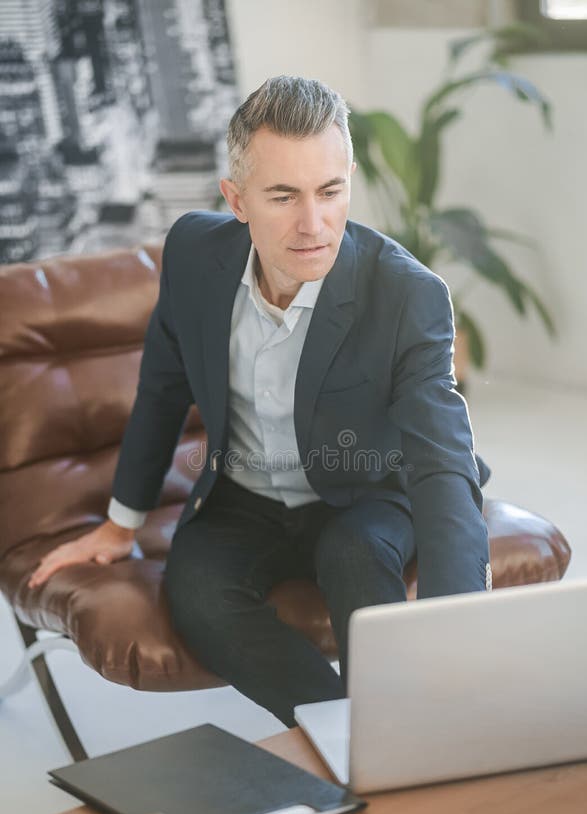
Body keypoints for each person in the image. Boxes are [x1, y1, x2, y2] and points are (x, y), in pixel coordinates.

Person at [28, 76, 491, 727]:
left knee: (352, 554)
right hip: (243, 495)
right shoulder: (193, 253)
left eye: (331, 192)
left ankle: (405, 729)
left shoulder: (406, 294)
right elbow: (162, 388)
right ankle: (344, 736)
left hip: (367, 491)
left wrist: (457, 626)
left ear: (348, 179)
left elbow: (443, 463)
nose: (314, 223)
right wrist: (120, 523)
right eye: (283, 196)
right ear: (236, 199)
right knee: (195, 591)